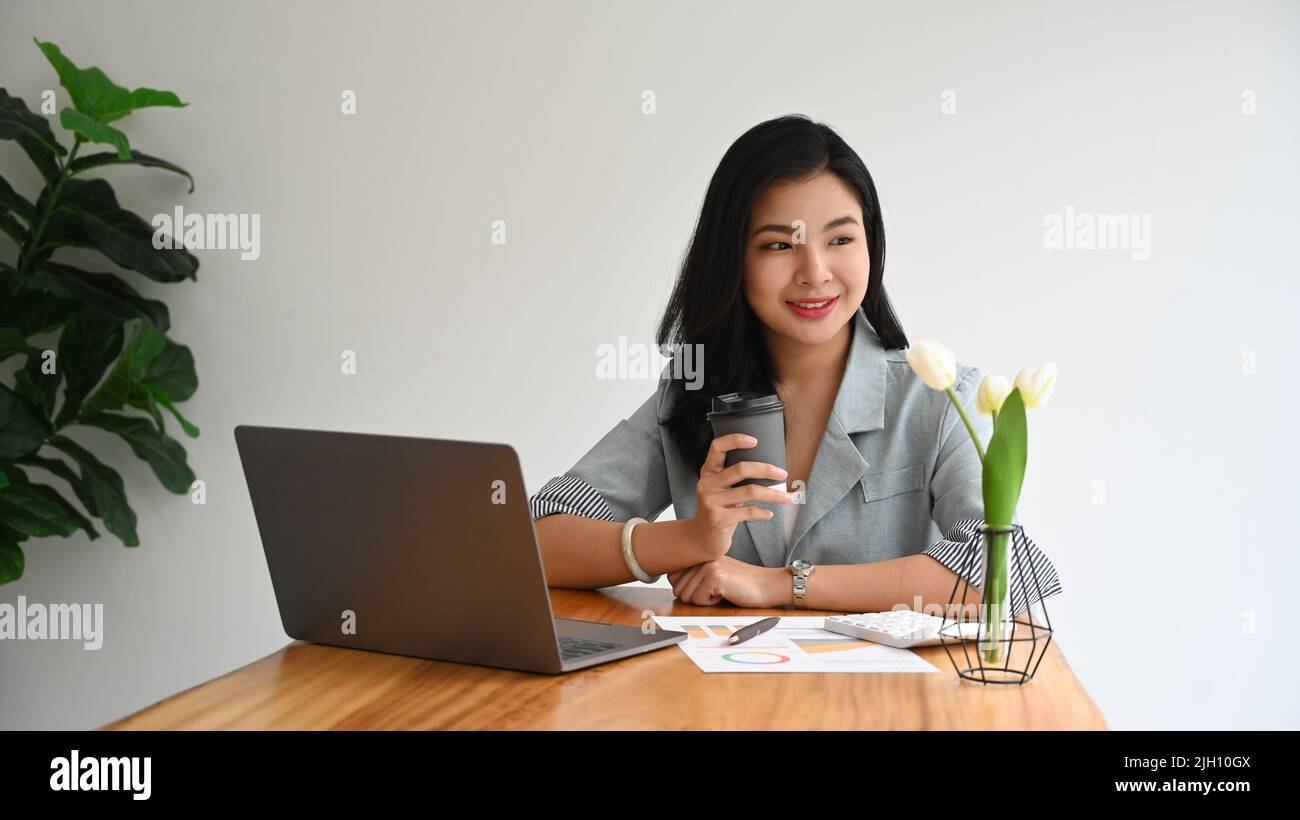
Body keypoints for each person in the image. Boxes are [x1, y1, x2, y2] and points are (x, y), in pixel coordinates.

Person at [530, 114, 1062, 616]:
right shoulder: (694, 391)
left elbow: (1004, 573)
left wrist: (781, 585)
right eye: (780, 244)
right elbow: (538, 532)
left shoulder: (938, 399)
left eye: (841, 240)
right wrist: (687, 539)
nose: (815, 272)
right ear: (733, 259)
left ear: (872, 248)